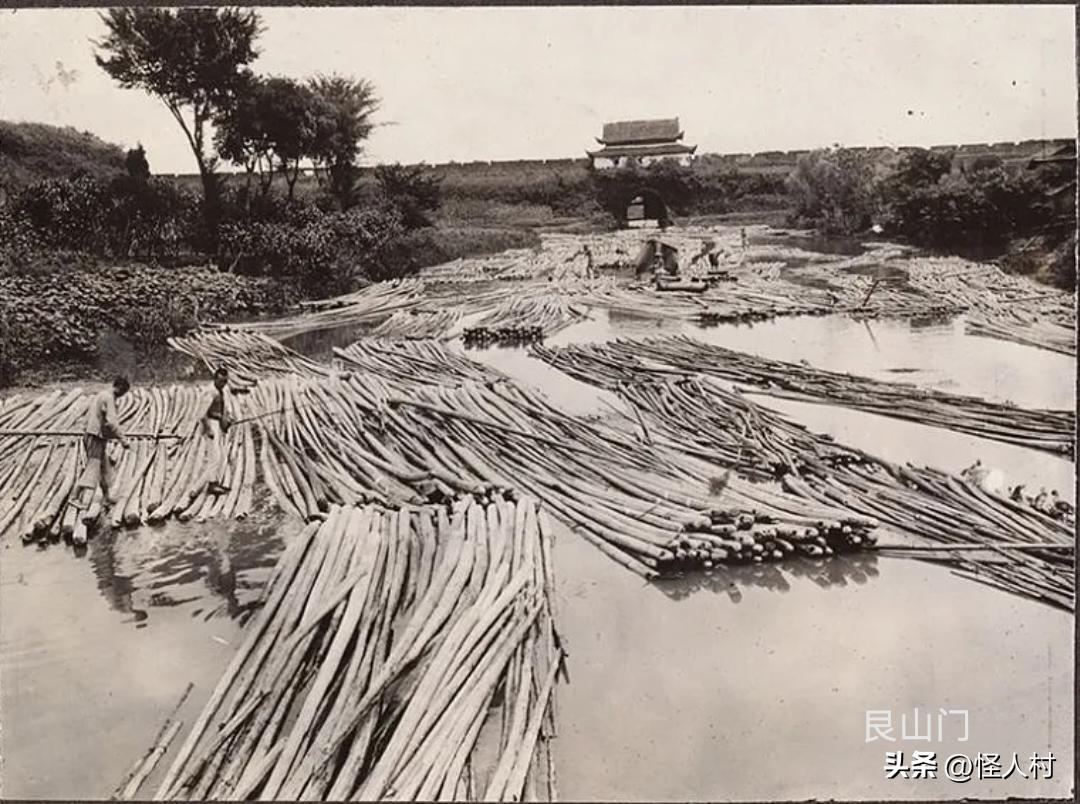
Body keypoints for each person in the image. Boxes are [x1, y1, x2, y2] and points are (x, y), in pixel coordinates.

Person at [73, 376, 131, 509]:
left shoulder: (102, 394)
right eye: (122, 392)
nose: (122, 396)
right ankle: (74, 497)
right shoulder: (109, 398)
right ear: (119, 388)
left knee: (104, 467)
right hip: (95, 436)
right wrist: (122, 439)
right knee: (93, 467)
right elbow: (111, 422)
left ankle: (106, 497)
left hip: (96, 435)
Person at [195, 368, 233, 497]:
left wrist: (227, 419)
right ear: (215, 379)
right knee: (215, 456)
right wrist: (209, 429)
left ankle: (215, 481)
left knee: (219, 455)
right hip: (211, 424)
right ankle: (212, 484)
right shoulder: (210, 392)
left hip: (217, 424)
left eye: (225, 381)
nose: (223, 384)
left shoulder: (221, 391)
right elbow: (202, 414)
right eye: (221, 381)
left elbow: (222, 409)